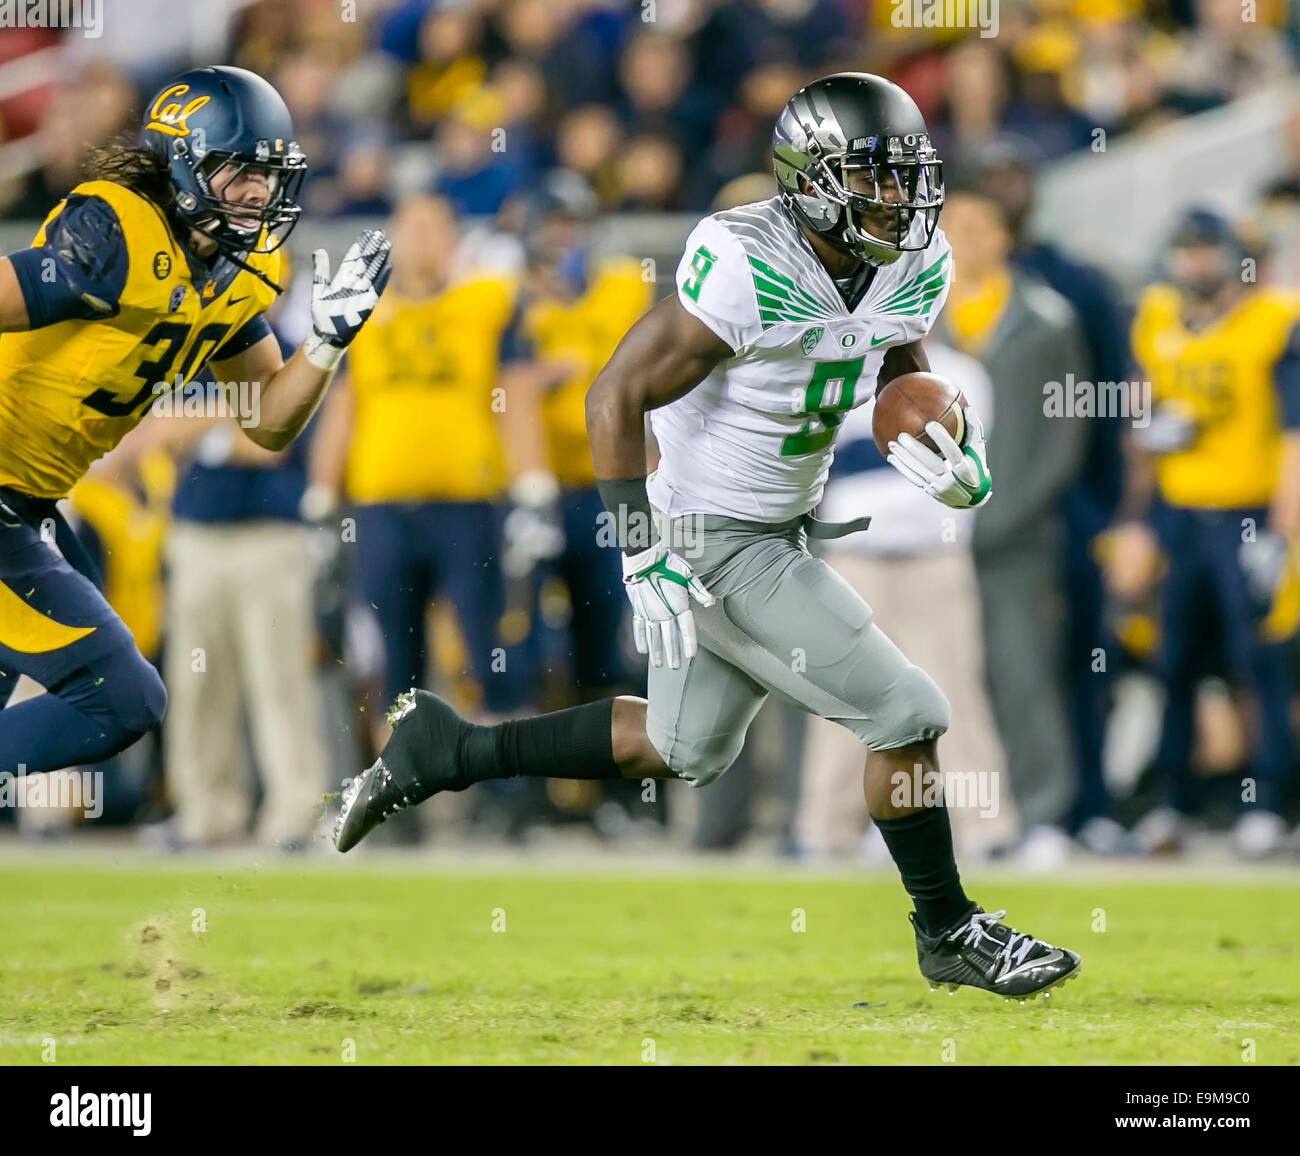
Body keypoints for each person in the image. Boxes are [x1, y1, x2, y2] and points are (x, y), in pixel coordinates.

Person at [335, 73, 1082, 1001]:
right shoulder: (747, 260)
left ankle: (445, 750)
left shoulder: (910, 260)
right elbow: (615, 393)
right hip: (711, 533)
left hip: (782, 522)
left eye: (906, 177)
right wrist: (640, 545)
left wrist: (942, 443)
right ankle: (950, 930)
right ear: (812, 182)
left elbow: (895, 358)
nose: (900, 199)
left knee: (683, 747)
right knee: (910, 714)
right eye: (874, 178)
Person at [0, 65, 390, 781]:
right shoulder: (118, 231)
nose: (256, 192)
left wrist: (326, 344)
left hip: (29, 506)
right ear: (182, 162)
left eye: (268, 174)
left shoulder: (236, 268)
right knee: (119, 698)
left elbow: (265, 420)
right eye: (237, 169)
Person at [1109, 209, 1300, 859]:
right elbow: (1137, 416)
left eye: (1205, 251)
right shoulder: (1157, 316)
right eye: (1185, 251)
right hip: (1179, 511)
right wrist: (1136, 516)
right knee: (1174, 661)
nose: (1195, 264)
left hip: (1249, 509)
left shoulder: (1274, 321)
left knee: (1260, 661)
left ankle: (1270, 800)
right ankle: (1172, 803)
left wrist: (1283, 527)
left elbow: (1294, 433)